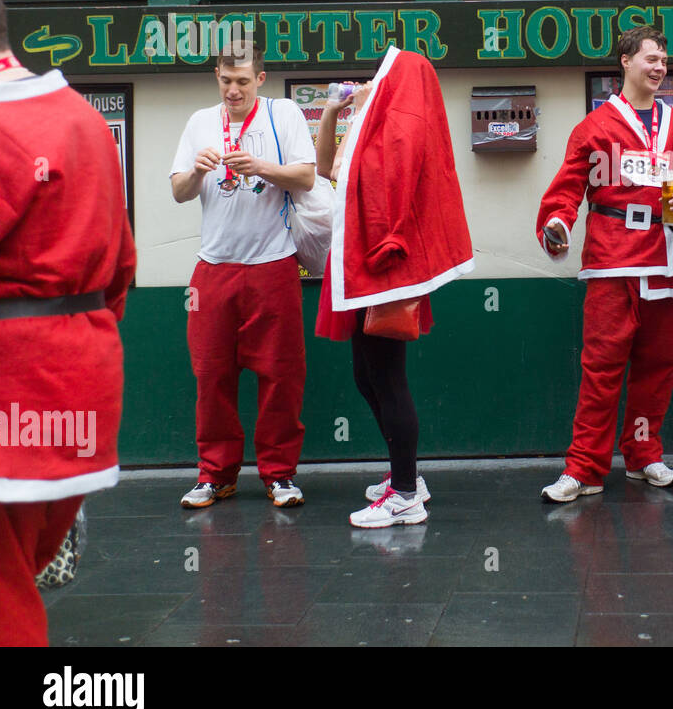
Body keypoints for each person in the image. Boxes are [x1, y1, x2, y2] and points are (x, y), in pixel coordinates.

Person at [0, 0, 135, 645]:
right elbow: (122, 266)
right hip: (82, 376)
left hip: (12, 382)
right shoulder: (82, 117)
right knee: (15, 569)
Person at [536, 25, 673, 502]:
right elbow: (567, 192)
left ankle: (644, 454)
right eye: (651, 58)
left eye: (664, 60)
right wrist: (557, 224)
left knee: (657, 369)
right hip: (612, 261)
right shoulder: (594, 126)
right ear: (626, 61)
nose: (660, 67)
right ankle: (584, 468)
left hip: (666, 264)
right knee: (601, 369)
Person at [314, 47, 474, 528]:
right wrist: (335, 112)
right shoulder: (372, 130)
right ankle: (404, 477)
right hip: (365, 267)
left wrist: (364, 109)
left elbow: (387, 176)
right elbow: (329, 171)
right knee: (368, 377)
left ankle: (406, 492)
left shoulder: (395, 131)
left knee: (387, 378)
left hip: (386, 269)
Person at [170, 44, 316, 510]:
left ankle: (279, 475)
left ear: (261, 78)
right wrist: (195, 171)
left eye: (243, 81)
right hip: (213, 267)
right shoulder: (199, 122)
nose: (234, 90)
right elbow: (177, 192)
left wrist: (262, 168)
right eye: (226, 81)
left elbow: (308, 177)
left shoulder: (285, 114)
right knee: (210, 374)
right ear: (216, 76)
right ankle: (216, 474)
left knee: (281, 375)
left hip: (274, 263)